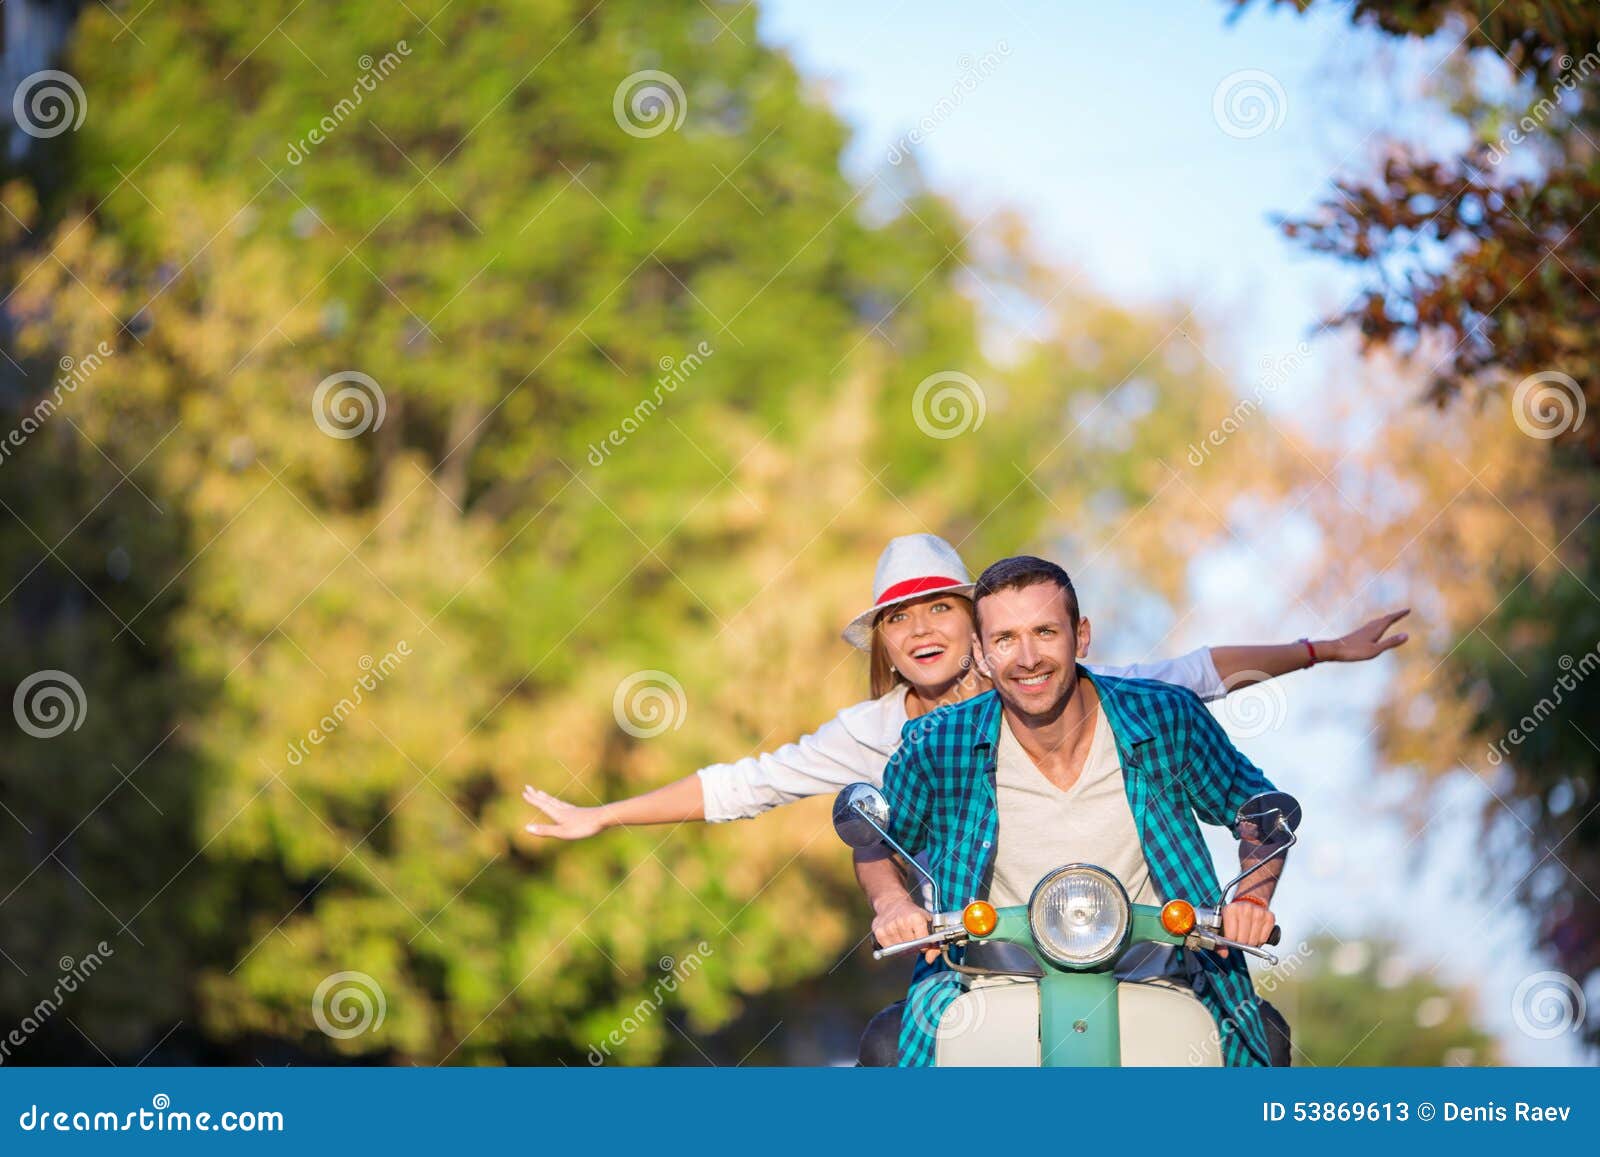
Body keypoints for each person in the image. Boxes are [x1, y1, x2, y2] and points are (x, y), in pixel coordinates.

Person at [522, 533, 1409, 842]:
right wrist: (604, 814)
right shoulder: (874, 731)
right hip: (976, 942)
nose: (921, 632)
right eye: (899, 621)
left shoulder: (1064, 682)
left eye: (940, 610)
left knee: (1247, 1030)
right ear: (885, 645)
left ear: (975, 623)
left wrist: (1323, 647)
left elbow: (1198, 671)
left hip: (1102, 911)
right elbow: (742, 784)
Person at [868, 555, 1297, 1067]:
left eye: (1045, 631)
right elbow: (875, 838)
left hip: (1165, 976)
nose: (1027, 658)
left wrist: (1249, 900)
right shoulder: (939, 744)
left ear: (1082, 635)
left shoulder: (1165, 717)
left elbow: (1261, 812)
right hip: (980, 983)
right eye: (1005, 639)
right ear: (980, 654)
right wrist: (893, 905)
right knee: (887, 1047)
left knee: (1259, 1044)